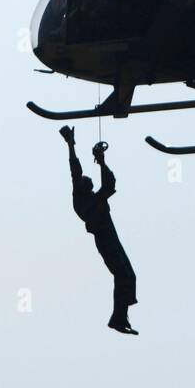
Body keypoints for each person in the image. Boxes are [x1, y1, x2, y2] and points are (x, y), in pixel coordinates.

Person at [59, 125, 138, 334]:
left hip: (111, 238)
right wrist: (70, 144)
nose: (88, 180)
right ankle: (118, 319)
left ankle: (120, 316)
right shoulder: (84, 202)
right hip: (106, 241)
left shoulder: (95, 198)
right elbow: (76, 170)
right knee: (123, 274)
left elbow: (109, 185)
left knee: (129, 276)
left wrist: (102, 161)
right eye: (87, 181)